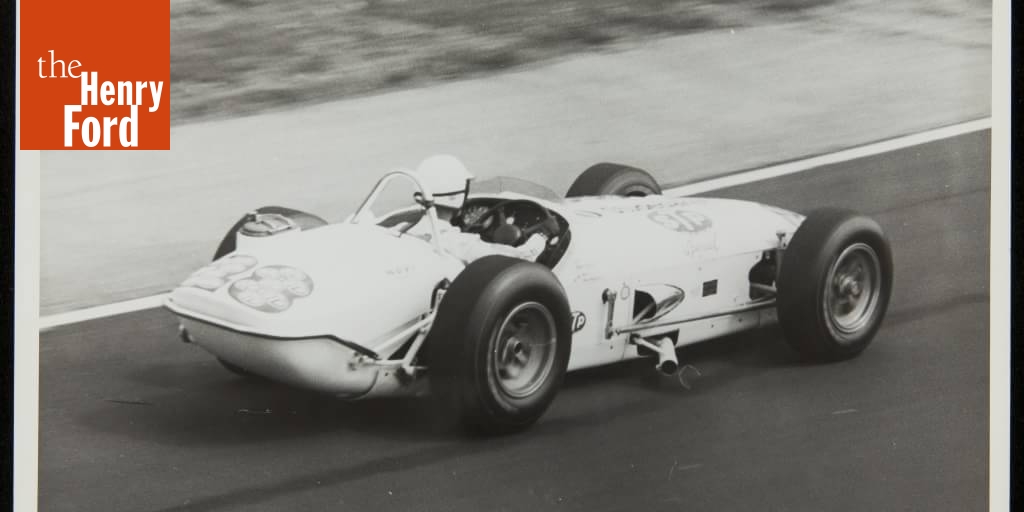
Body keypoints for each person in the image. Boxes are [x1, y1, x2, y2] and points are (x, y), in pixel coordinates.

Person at [415, 155, 548, 264]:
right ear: (455, 195)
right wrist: (543, 235)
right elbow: (522, 259)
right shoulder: (462, 245)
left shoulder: (403, 229)